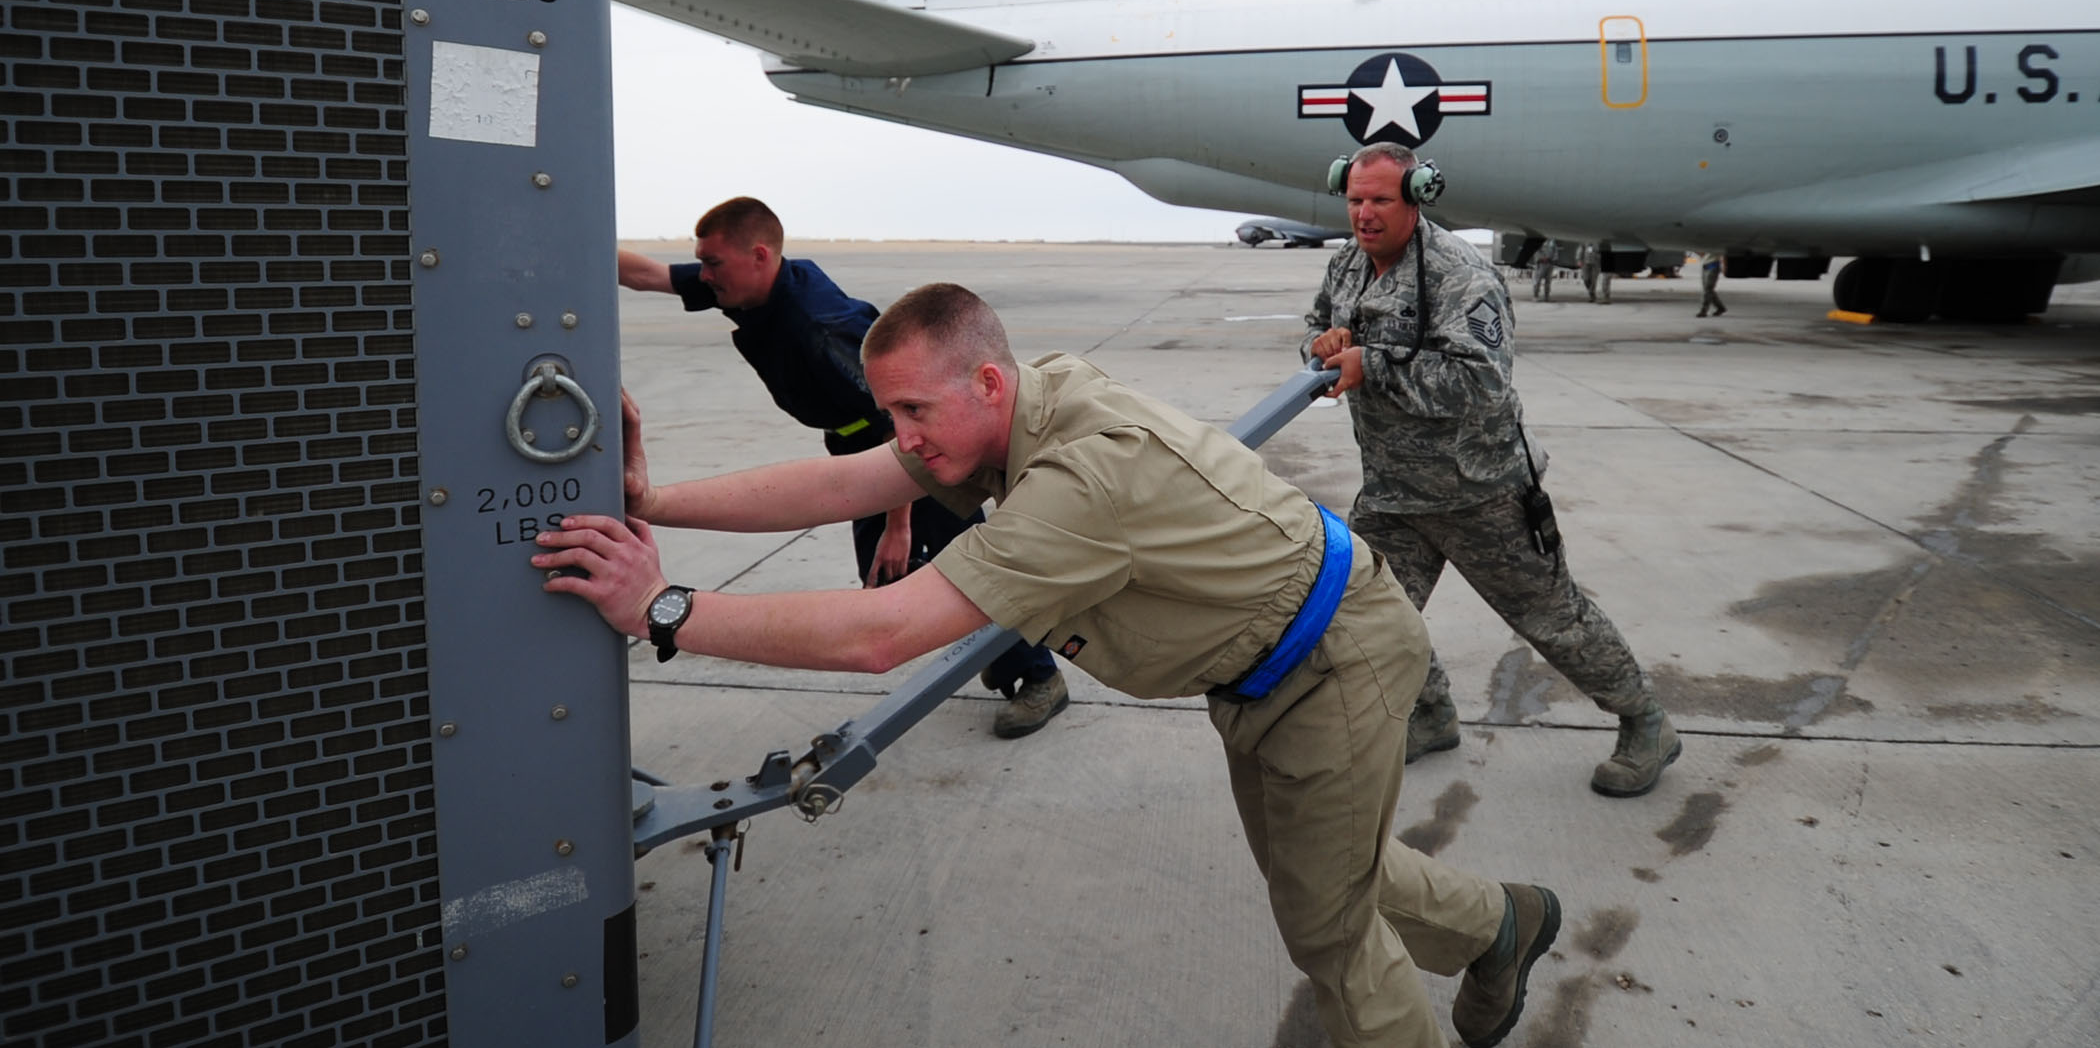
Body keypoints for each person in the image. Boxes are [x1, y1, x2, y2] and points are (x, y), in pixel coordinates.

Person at [535, 284, 1561, 1048]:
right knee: (1341, 871)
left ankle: (1491, 935)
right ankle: (1503, 923)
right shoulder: (1023, 395)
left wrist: (663, 608)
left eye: (914, 415)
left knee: (1327, 928)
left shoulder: (1076, 482)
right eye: (891, 413)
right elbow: (843, 479)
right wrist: (656, 505)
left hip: (1330, 663)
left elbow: (879, 634)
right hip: (1278, 662)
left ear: (985, 382)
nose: (902, 440)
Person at [1304, 144, 1680, 798]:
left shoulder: (1462, 275)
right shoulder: (1346, 265)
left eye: (1380, 200)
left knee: (1553, 619)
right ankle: (1431, 713)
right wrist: (1324, 344)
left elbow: (1481, 385)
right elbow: (1316, 328)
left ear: (1416, 198)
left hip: (1481, 493)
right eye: (1356, 199)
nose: (1364, 213)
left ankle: (1645, 720)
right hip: (1393, 493)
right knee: (1364, 615)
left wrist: (1376, 366)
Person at [616, 198, 1066, 738]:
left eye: (714, 265)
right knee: (884, 581)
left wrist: (898, 527)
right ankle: (990, 642)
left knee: (970, 577)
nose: (705, 276)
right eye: (703, 264)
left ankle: (1038, 675)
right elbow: (646, 274)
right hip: (858, 453)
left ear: (759, 256)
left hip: (921, 457)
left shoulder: (821, 327)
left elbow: (898, 428)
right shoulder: (747, 285)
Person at [1698, 251, 1728, 317]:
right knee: (1708, 290)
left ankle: (1704, 310)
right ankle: (1720, 308)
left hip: (1713, 266)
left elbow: (1725, 253)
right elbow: (1701, 254)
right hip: (1704, 266)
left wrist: (1725, 266)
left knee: (1708, 289)